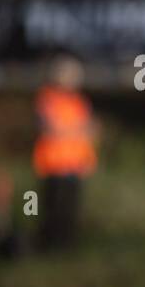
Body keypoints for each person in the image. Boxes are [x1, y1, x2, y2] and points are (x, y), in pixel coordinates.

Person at [32, 55, 97, 250]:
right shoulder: (47, 99)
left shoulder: (78, 102)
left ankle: (67, 248)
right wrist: (76, 130)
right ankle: (48, 247)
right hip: (53, 166)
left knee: (70, 212)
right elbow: (48, 128)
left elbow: (90, 131)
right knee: (52, 211)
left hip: (75, 166)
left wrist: (87, 158)